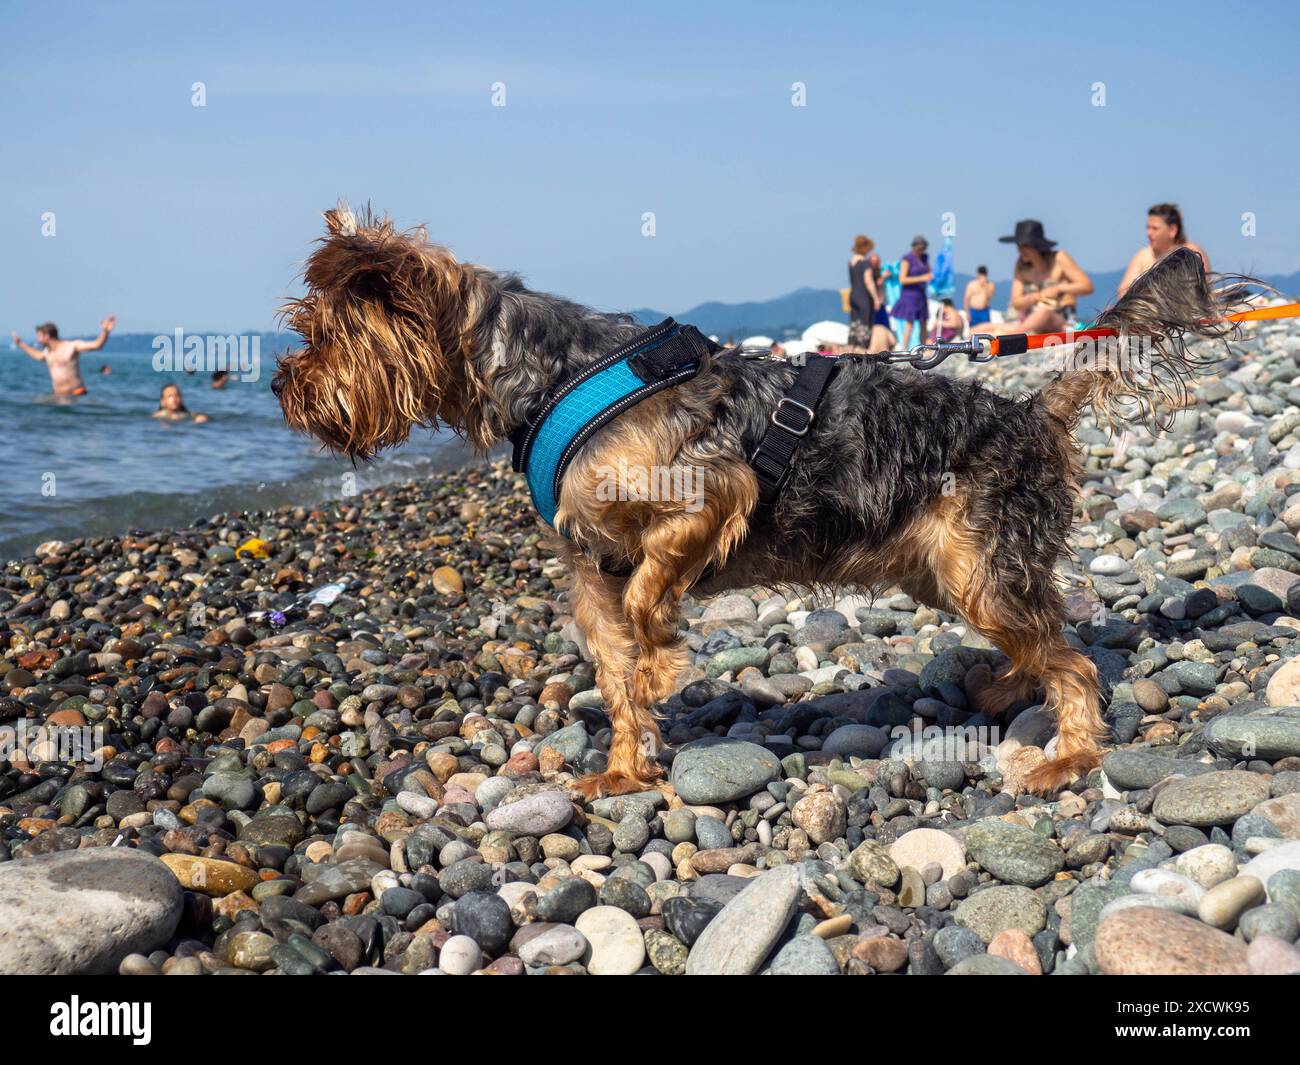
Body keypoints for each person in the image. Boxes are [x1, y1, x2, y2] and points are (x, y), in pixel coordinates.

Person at [975, 220, 1093, 337]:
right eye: (1018, 245)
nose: (1020, 250)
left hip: (1061, 318)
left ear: (1037, 246)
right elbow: (1016, 302)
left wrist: (1059, 289)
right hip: (1030, 320)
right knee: (979, 329)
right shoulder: (1021, 266)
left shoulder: (1059, 258)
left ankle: (1010, 336)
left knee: (1044, 312)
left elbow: (1087, 286)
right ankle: (1012, 334)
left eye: (1025, 245)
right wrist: (1036, 296)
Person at [1118, 203, 1211, 295]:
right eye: (1148, 228)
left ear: (1172, 230)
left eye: (1155, 228)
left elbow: (1203, 287)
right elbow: (1123, 290)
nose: (1148, 233)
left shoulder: (1192, 252)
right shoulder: (1143, 256)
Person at [11, 316, 116, 397]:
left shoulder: (72, 346)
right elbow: (37, 356)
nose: (37, 339)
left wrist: (105, 331)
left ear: (47, 336)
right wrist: (20, 344)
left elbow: (97, 345)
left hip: (78, 394)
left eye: (39, 336)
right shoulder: (47, 352)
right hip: (59, 396)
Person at [891, 236, 932, 348]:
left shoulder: (925, 258)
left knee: (924, 323)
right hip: (909, 295)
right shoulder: (907, 259)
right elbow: (902, 279)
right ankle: (905, 348)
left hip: (921, 295)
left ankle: (923, 348)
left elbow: (929, 273)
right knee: (910, 324)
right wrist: (922, 278)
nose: (921, 251)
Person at [847, 235, 881, 349]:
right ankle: (862, 350)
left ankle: (852, 349)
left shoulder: (851, 261)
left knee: (855, 325)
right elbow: (868, 281)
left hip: (853, 296)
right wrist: (876, 298)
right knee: (865, 325)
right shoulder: (865, 262)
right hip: (863, 297)